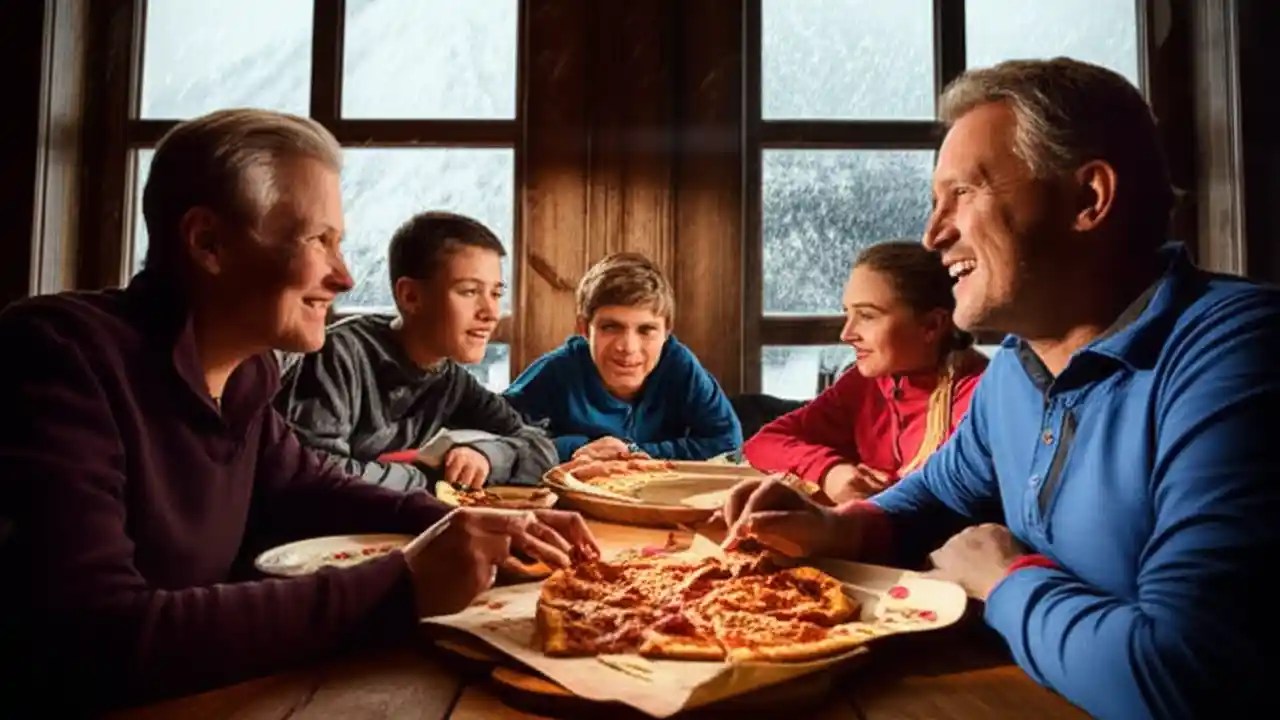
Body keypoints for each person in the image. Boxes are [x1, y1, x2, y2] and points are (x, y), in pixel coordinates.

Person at [720, 58, 1280, 719]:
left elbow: (1183, 678)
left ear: (1088, 199)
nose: (934, 234)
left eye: (965, 193)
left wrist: (1005, 578)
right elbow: (935, 496)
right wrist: (836, 528)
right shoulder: (1016, 364)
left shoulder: (1240, 352)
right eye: (935, 202)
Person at [0, 108, 597, 713]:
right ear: (209, 242)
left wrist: (472, 528)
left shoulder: (246, 375)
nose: (344, 276)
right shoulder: (60, 353)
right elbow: (97, 634)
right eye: (320, 241)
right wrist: (404, 583)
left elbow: (310, 487)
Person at [275, 210, 557, 492]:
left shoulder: (451, 381)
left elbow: (541, 450)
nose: (491, 312)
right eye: (469, 291)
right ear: (410, 296)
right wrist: (431, 479)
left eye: (496, 293)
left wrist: (487, 457)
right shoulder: (338, 356)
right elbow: (315, 473)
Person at [742, 241, 987, 503]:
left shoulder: (982, 398)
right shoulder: (865, 386)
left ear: (931, 325)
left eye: (867, 316)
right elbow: (763, 443)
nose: (846, 334)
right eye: (848, 314)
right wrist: (830, 471)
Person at [504, 252, 742, 462]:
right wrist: (577, 449)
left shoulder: (681, 367)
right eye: (610, 327)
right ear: (584, 329)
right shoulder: (558, 369)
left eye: (646, 330)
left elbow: (729, 445)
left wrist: (632, 453)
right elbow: (494, 435)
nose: (628, 347)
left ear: (666, 332)